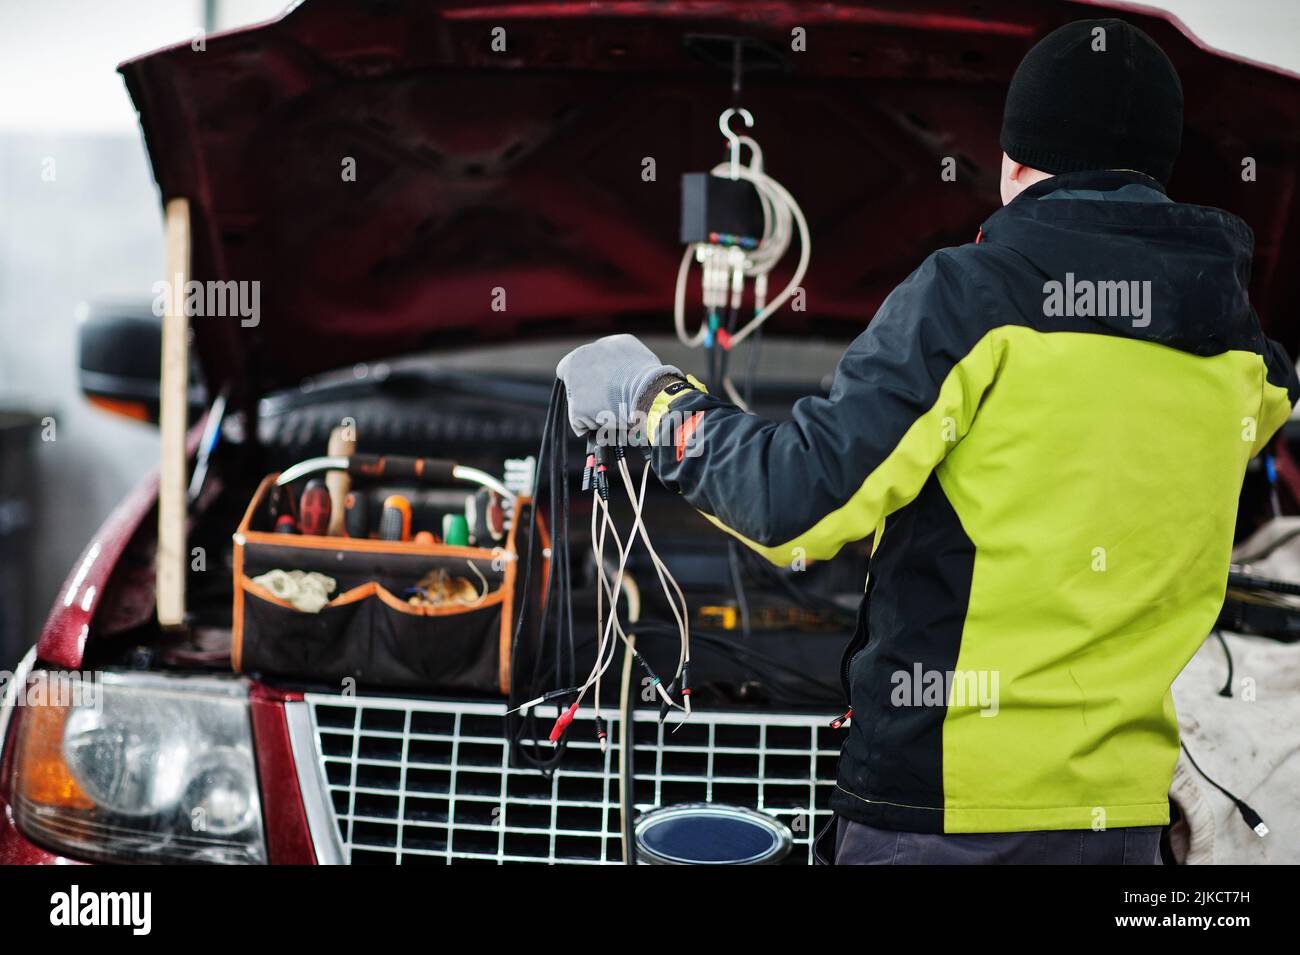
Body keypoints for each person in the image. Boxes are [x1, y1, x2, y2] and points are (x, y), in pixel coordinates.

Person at [555, 18, 1299, 864]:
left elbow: (798, 502)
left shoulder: (974, 298)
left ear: (1015, 161)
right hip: (1121, 822)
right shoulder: (1243, 358)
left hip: (943, 815)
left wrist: (650, 400)